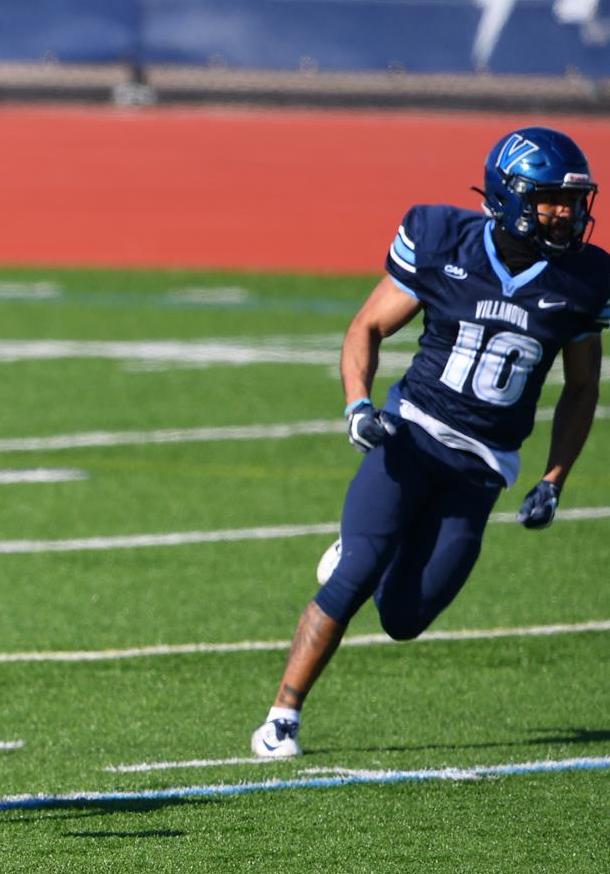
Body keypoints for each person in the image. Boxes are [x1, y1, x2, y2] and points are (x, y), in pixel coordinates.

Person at [251, 127, 608, 759]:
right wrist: (358, 406)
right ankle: (283, 715)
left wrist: (554, 478)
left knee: (404, 619)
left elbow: (581, 388)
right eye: (551, 199)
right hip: (411, 436)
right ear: (509, 195)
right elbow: (367, 326)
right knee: (356, 572)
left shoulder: (585, 278)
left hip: (481, 470)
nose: (566, 213)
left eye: (571, 200)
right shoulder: (444, 240)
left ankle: (370, 553)